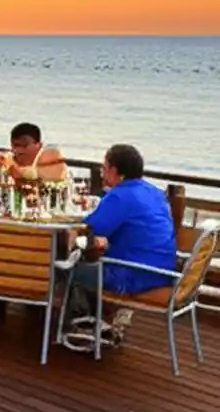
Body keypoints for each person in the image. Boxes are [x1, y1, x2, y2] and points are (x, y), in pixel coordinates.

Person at [66, 144, 178, 348]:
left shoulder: (120, 195)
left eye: (104, 166)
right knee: (87, 262)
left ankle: (77, 325)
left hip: (133, 276)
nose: (101, 171)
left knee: (64, 268)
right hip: (162, 272)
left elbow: (89, 228)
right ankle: (95, 320)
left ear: (115, 171)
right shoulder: (154, 192)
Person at [2, 122, 68, 182]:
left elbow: (56, 174)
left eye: (25, 145)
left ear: (38, 145)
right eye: (16, 145)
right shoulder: (8, 160)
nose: (20, 150)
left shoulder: (52, 153)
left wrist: (19, 171)